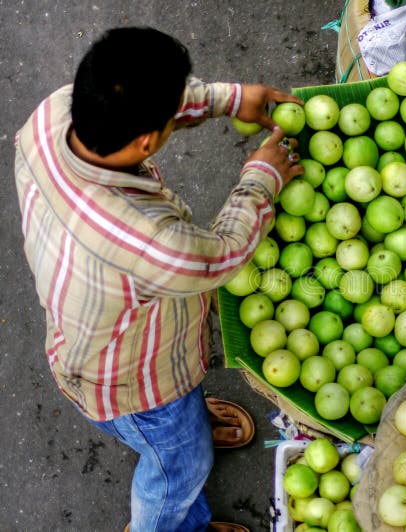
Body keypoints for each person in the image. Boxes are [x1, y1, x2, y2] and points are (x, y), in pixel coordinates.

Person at [14, 26, 304, 532]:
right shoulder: (155, 244)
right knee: (180, 469)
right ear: (147, 140)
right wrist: (261, 177)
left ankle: (183, 426)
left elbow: (148, 102)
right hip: (128, 382)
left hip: (92, 331)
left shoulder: (53, 116)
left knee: (179, 422)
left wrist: (229, 100)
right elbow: (224, 255)